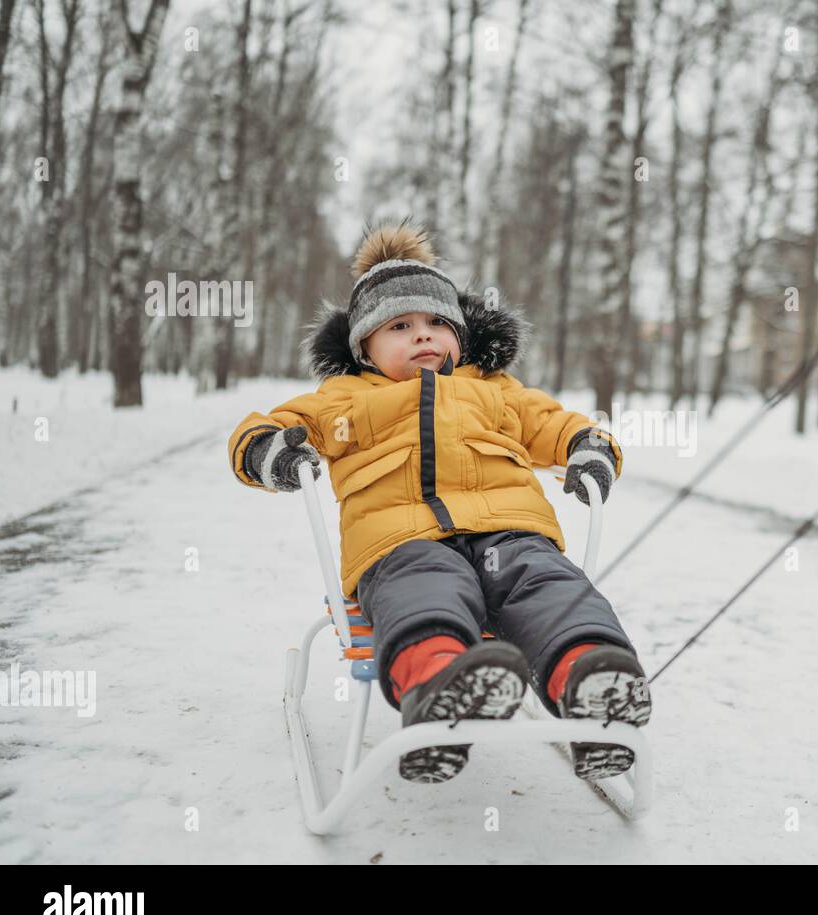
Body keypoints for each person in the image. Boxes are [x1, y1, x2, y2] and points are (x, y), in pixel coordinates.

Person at [227, 220, 651, 784]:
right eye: (400, 326)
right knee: (425, 589)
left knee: (548, 582)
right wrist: (268, 450)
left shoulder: (494, 389)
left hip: (509, 534)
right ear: (365, 347)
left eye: (436, 323)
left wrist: (588, 448)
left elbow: (554, 423)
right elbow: (273, 425)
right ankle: (438, 685)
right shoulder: (345, 396)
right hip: (402, 543)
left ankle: (591, 683)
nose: (423, 336)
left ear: (458, 334)